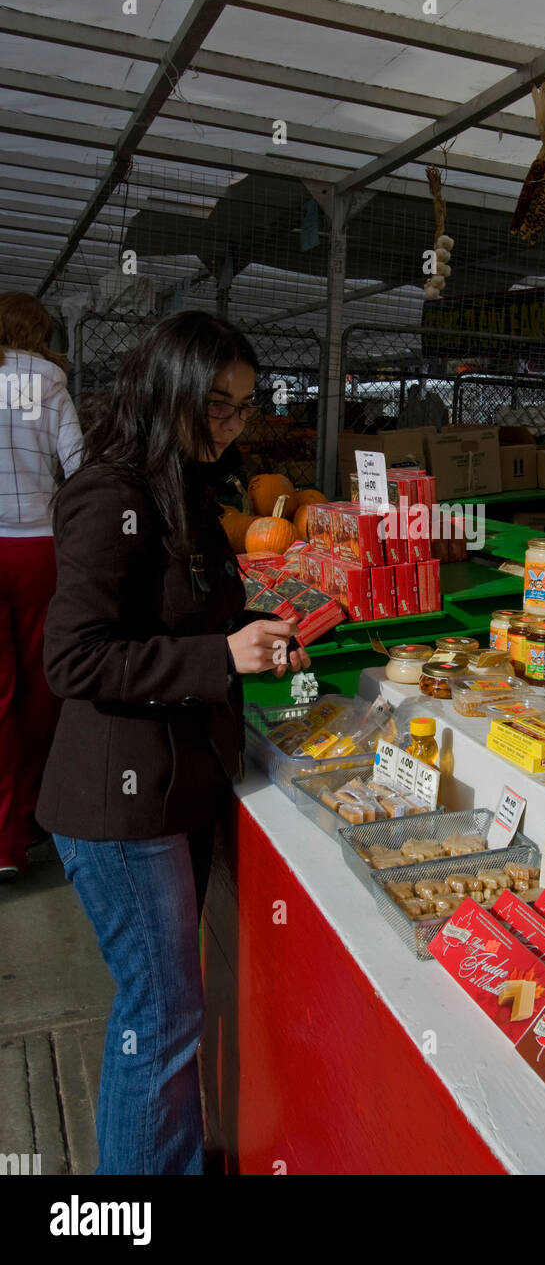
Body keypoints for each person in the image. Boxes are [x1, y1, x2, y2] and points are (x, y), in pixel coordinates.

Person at [36, 310, 310, 1175]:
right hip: (119, 805)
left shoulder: (185, 487)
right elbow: (73, 657)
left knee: (166, 1016)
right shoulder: (108, 495)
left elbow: (177, 613)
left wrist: (250, 626)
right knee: (155, 1022)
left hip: (168, 786)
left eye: (242, 406)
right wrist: (216, 655)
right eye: (215, 404)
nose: (230, 422)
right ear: (167, 394)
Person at [0, 292, 82, 879]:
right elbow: (77, 464)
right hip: (36, 549)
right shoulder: (48, 377)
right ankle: (26, 823)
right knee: (38, 684)